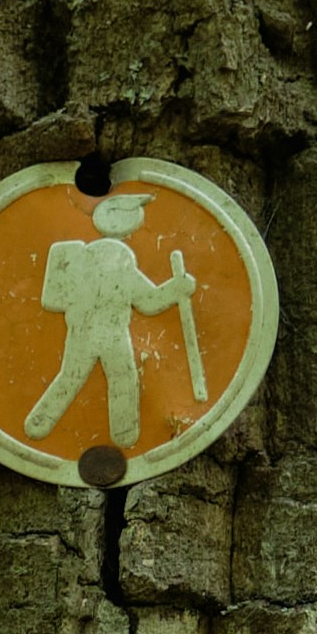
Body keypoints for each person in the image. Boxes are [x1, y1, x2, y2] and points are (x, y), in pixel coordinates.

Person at [22, 191, 201, 458]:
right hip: (111, 334)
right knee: (121, 378)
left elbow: (147, 302)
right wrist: (177, 288)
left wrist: (178, 288)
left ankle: (40, 421)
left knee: (72, 376)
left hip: (86, 332)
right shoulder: (121, 265)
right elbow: (149, 301)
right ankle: (123, 432)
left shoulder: (81, 263)